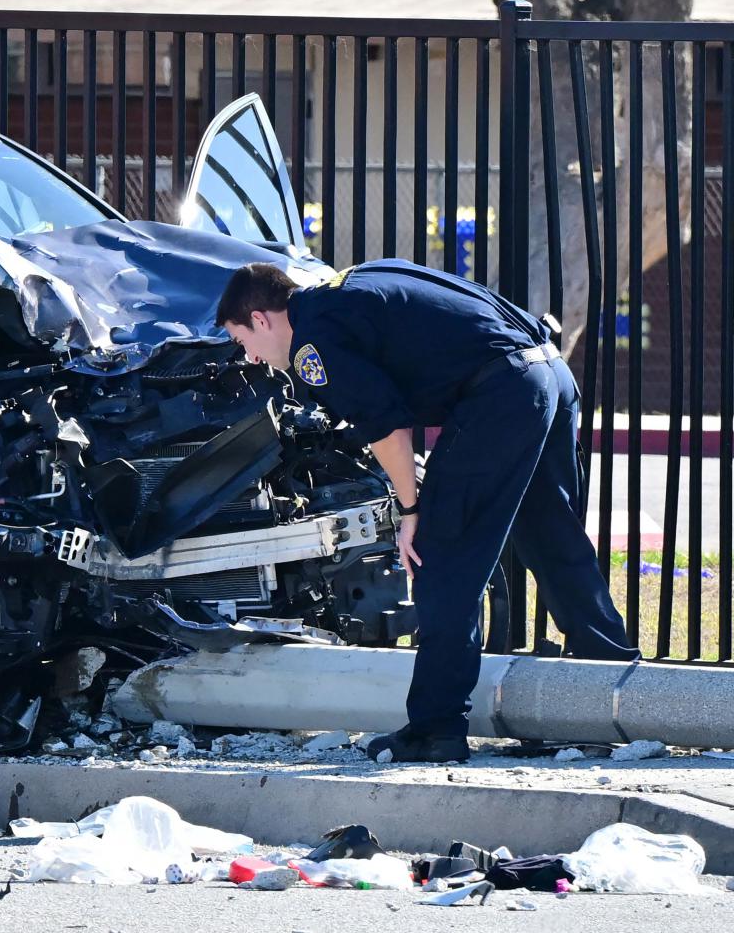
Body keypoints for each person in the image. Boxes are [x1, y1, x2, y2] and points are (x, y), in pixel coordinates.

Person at [215, 260, 638, 763]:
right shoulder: (350, 283)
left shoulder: (314, 341)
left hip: (499, 395)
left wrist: (411, 509)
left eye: (242, 341)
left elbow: (388, 427)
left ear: (261, 319)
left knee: (442, 556)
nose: (252, 357)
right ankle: (617, 686)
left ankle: (436, 728)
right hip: (546, 372)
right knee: (553, 539)